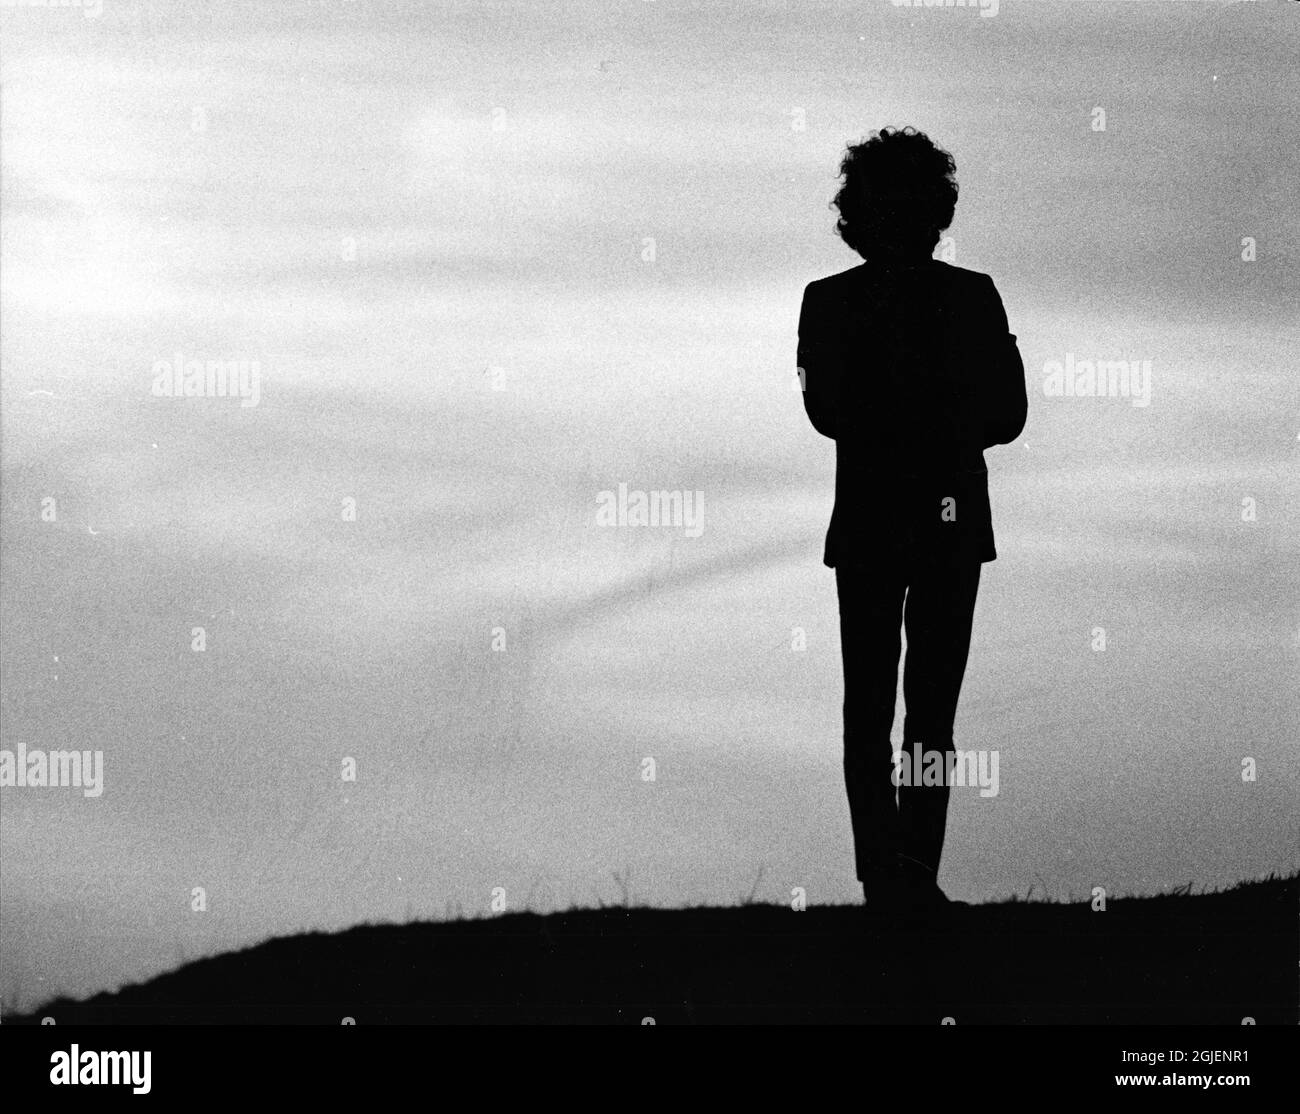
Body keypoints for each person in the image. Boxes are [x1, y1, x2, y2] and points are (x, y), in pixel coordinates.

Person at [796, 126, 1027, 910]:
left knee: (893, 710)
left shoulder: (836, 303)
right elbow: (1002, 411)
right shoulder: (965, 299)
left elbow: (833, 410)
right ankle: (900, 878)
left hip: (891, 524)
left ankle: (898, 879)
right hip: (926, 525)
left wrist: (899, 411)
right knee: (910, 712)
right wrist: (942, 414)